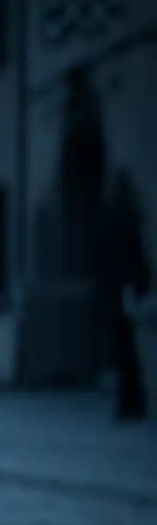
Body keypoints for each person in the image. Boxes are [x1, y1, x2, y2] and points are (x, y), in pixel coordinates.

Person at [103, 171, 151, 420]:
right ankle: (133, 402)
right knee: (128, 350)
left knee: (124, 350)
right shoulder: (128, 216)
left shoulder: (115, 217)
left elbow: (114, 259)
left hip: (121, 291)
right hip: (126, 290)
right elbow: (136, 257)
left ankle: (130, 403)